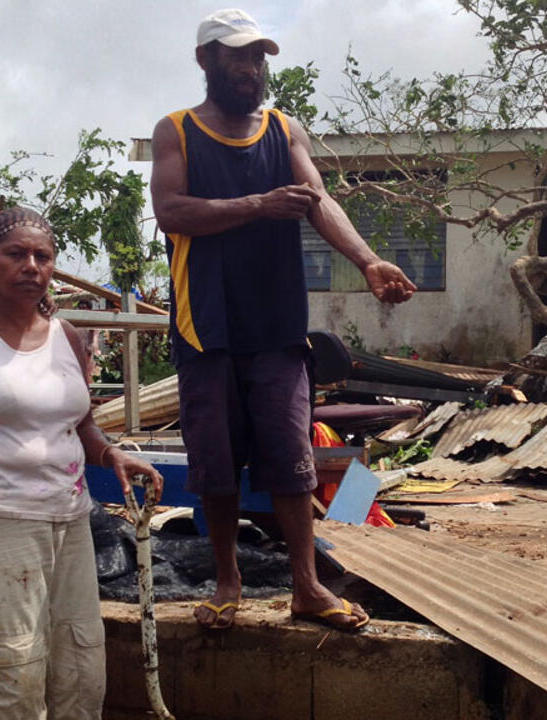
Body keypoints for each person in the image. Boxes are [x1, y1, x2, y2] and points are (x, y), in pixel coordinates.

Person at [150, 8, 416, 632]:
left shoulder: (283, 128)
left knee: (293, 460)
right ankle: (228, 582)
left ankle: (307, 586)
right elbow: (171, 211)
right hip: (206, 325)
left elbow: (318, 202)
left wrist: (368, 260)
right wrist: (258, 204)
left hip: (277, 324)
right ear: (206, 60)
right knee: (215, 462)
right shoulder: (176, 131)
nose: (251, 69)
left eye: (258, 58)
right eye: (237, 56)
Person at [0, 207, 163, 718]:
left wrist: (109, 452)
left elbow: (79, 424)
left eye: (42, 257)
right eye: (15, 254)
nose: (31, 266)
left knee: (82, 670)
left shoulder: (65, 335)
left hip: (68, 521)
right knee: (15, 677)